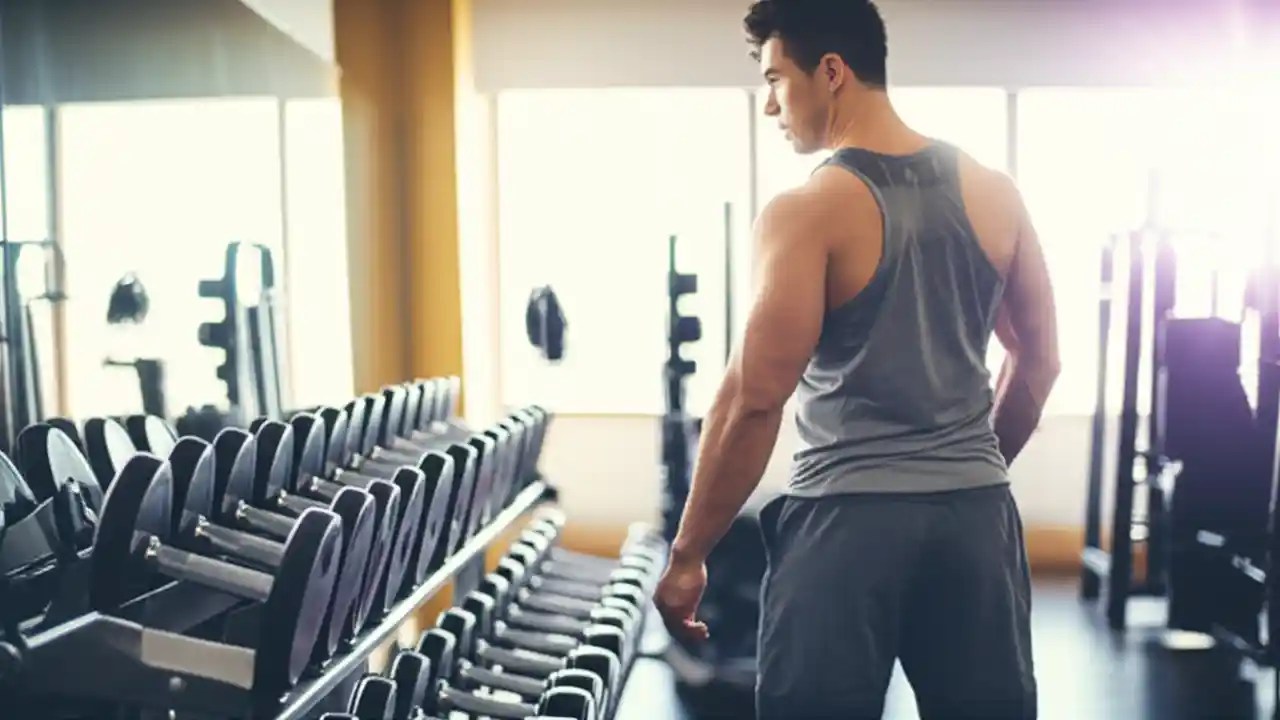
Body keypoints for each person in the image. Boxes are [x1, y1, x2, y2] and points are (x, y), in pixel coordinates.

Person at [653, 1, 1060, 718]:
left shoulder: (806, 211)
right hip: (976, 523)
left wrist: (688, 555)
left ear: (832, 73)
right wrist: (964, 470)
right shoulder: (997, 194)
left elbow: (754, 399)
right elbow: (1039, 363)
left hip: (847, 524)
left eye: (776, 78)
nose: (770, 104)